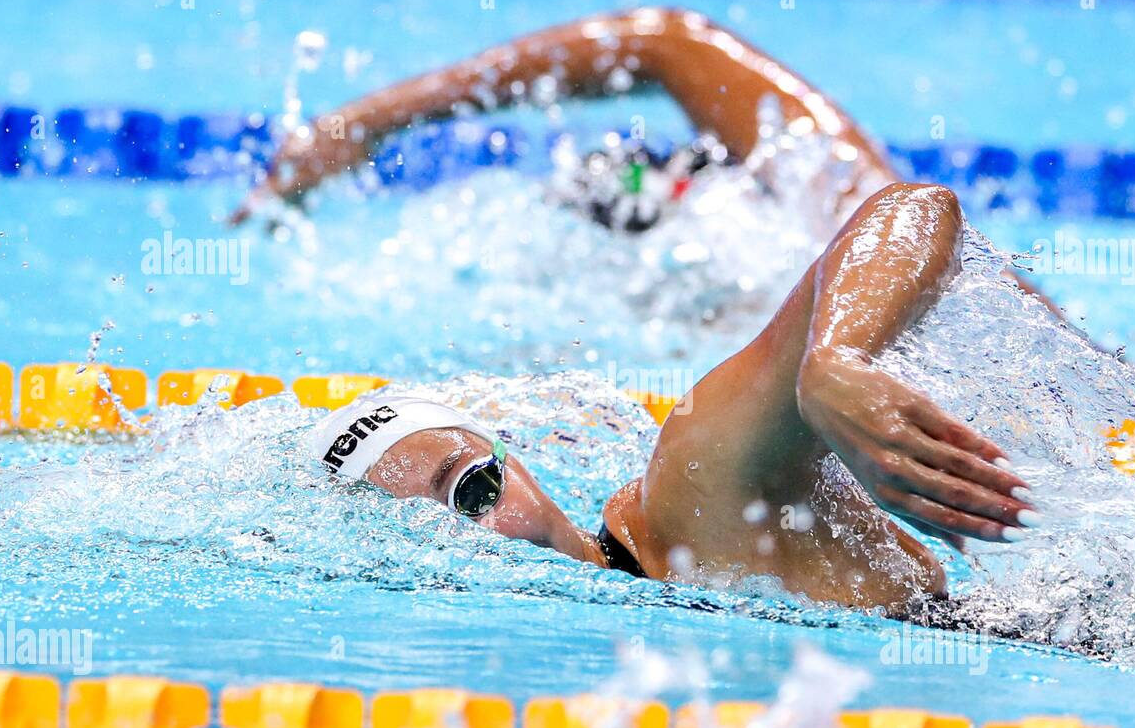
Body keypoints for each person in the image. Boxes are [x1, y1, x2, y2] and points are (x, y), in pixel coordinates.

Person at [310, 179, 1038, 614]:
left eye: (474, 490)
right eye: (429, 530)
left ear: (519, 461)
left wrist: (835, 360)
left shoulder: (697, 492)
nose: (486, 535)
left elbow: (914, 208)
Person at [228, 6, 1056, 310]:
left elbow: (664, 42)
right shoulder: (846, 211)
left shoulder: (835, 242)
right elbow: (665, 39)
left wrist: (357, 126)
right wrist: (365, 124)